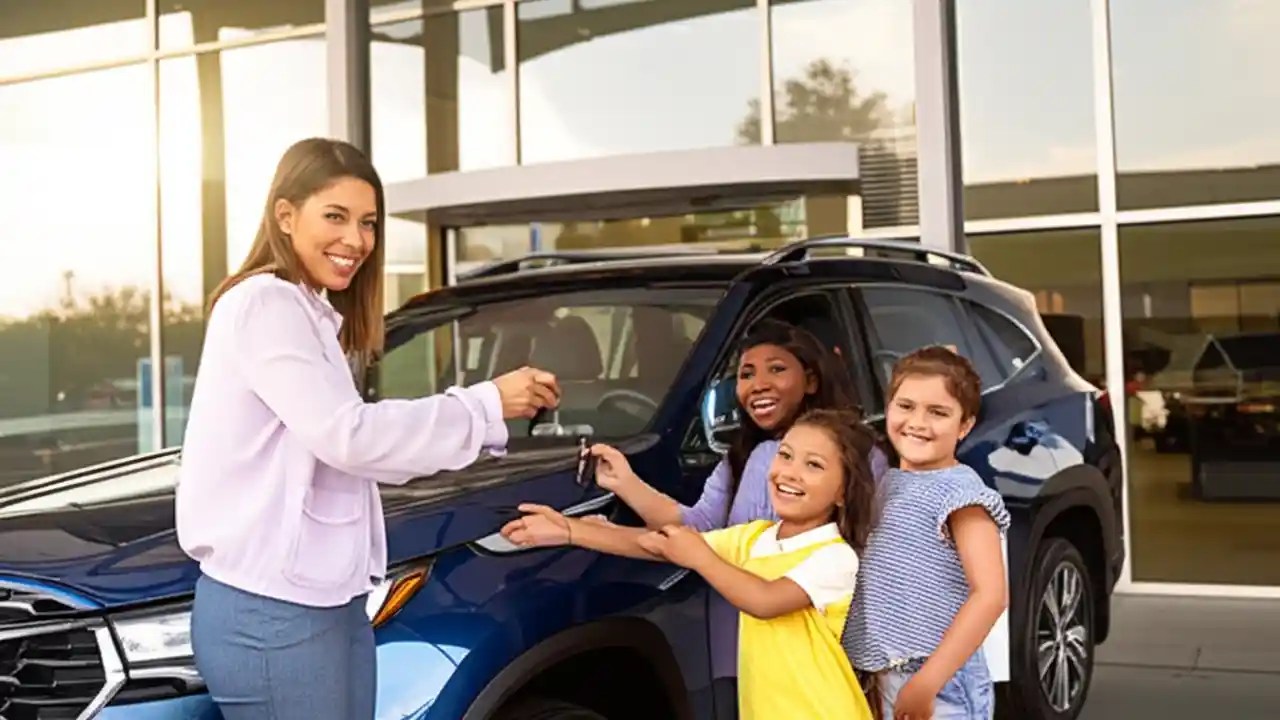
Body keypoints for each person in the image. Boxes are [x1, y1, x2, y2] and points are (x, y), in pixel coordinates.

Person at [175, 138, 561, 720]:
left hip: (324, 603)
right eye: (335, 216)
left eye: (369, 222)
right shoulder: (265, 304)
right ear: (285, 215)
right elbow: (348, 436)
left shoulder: (309, 314)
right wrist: (485, 404)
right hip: (273, 612)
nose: (356, 240)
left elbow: (348, 448)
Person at [589, 318, 888, 715]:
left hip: (812, 655)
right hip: (741, 651)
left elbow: (865, 563)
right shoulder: (746, 458)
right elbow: (691, 530)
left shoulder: (858, 461)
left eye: (777, 369)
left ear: (812, 380)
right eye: (747, 374)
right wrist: (623, 483)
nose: (758, 383)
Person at [503, 409, 879, 720]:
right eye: (785, 455)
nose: (790, 472)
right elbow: (662, 545)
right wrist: (569, 530)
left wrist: (698, 556)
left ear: (844, 492)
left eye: (814, 465)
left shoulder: (834, 556)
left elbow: (763, 601)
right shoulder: (756, 537)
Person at [840, 345, 1011, 720]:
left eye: (938, 412)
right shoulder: (887, 483)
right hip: (880, 677)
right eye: (906, 406)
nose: (917, 421)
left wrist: (929, 680)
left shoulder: (961, 493)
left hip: (939, 682)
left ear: (964, 425)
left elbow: (991, 595)